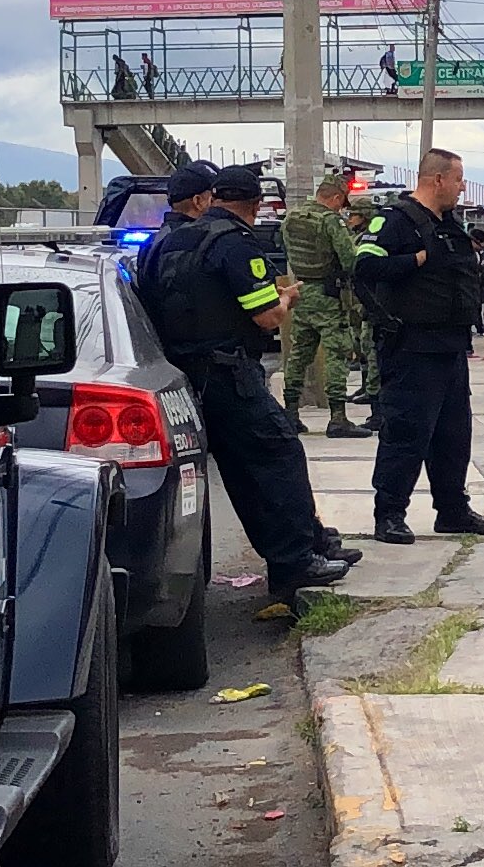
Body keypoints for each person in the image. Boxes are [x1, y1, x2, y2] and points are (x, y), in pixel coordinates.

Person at [149, 166, 351, 597]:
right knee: (280, 455)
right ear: (256, 205)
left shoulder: (165, 243)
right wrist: (286, 298)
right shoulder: (235, 243)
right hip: (229, 373)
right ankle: (296, 561)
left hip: (181, 379)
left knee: (243, 472)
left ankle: (307, 546)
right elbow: (267, 316)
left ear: (214, 197)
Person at [353, 149, 484, 545]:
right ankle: (389, 514)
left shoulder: (449, 225)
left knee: (454, 435)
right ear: (438, 180)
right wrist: (415, 259)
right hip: (411, 346)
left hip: (450, 345)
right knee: (406, 432)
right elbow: (364, 267)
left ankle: (452, 510)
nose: (462, 187)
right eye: (458, 179)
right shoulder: (396, 220)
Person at [279, 174, 371, 438]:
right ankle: (338, 417)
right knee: (337, 353)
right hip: (329, 296)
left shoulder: (292, 218)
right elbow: (350, 260)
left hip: (302, 292)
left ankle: (291, 413)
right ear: (337, 197)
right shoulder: (331, 221)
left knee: (299, 354)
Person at [134, 160, 220, 314]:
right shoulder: (201, 242)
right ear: (198, 201)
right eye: (214, 199)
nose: (220, 205)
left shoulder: (151, 243)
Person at [344, 198, 382, 420]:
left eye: (354, 215)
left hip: (367, 301)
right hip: (356, 301)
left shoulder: (370, 239)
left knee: (370, 348)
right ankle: (367, 387)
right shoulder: (356, 236)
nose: (350, 219)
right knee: (360, 346)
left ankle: (375, 401)